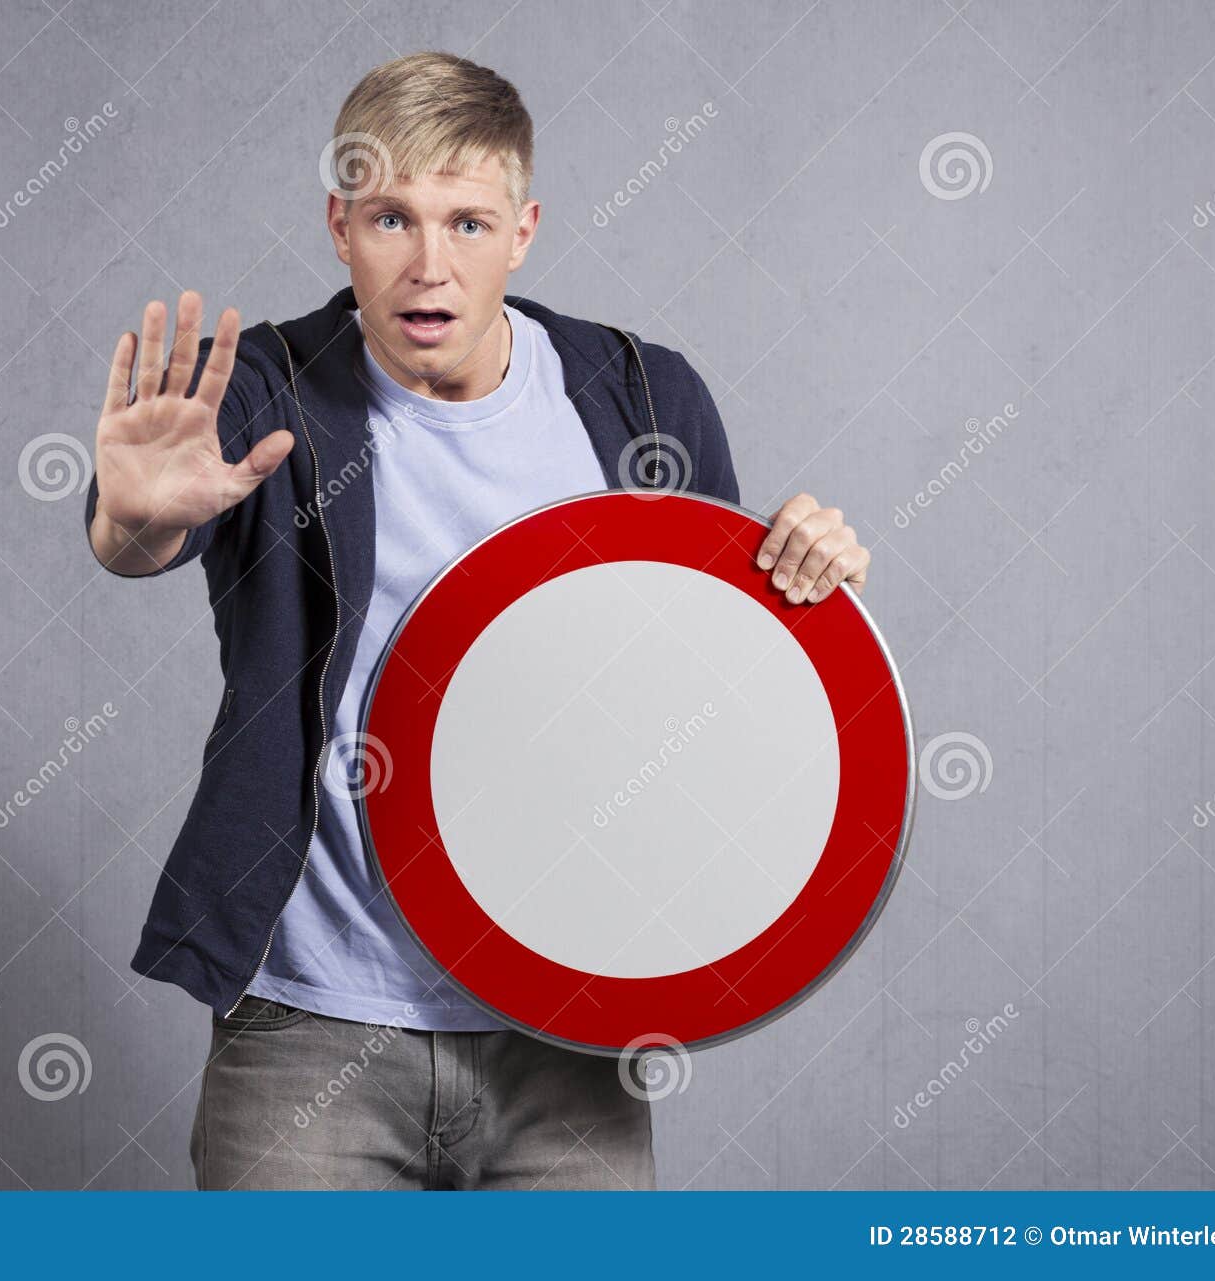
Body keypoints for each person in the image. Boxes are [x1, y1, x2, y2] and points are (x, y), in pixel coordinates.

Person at [83, 51, 870, 1190]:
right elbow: (143, 536)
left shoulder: (639, 399)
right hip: (311, 1028)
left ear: (524, 231)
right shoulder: (269, 388)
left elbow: (708, 686)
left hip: (566, 1035)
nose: (427, 264)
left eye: (466, 221)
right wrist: (135, 517)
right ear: (339, 226)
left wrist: (799, 584)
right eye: (391, 218)